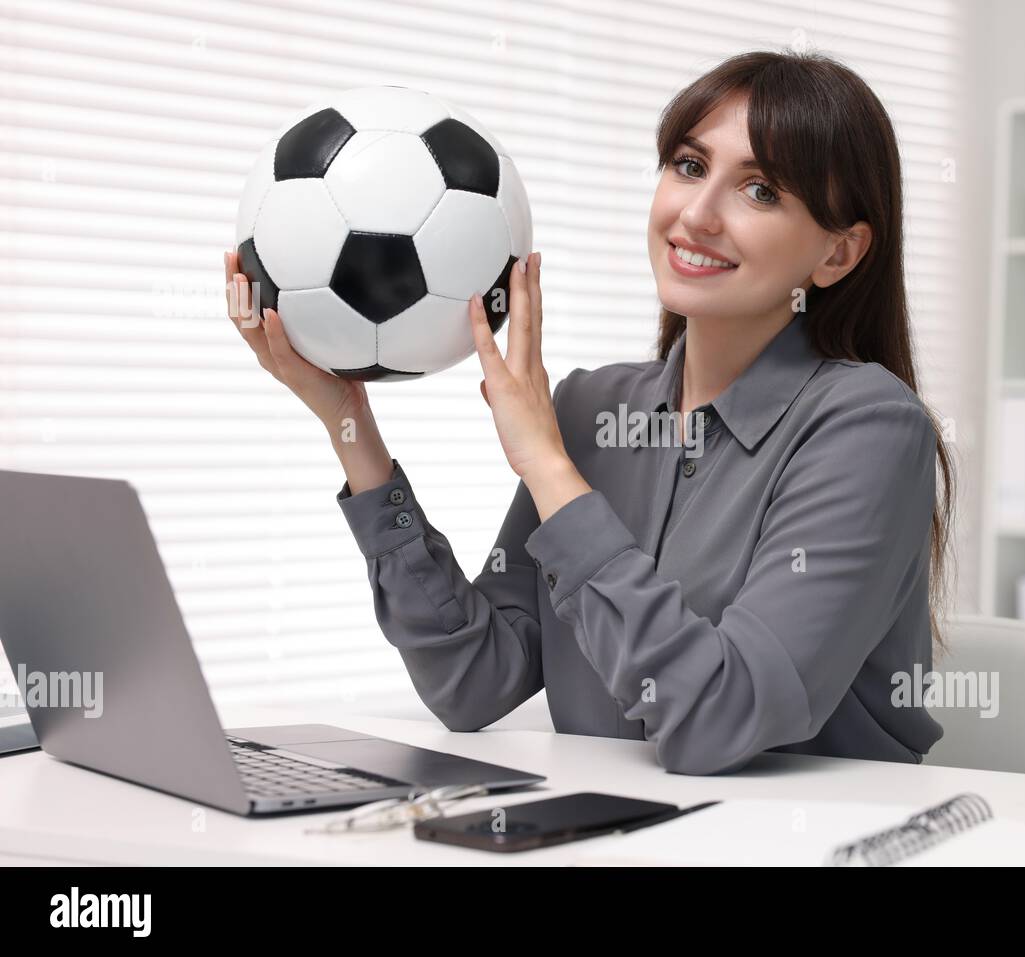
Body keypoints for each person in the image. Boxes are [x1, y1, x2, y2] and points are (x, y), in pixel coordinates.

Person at [223, 49, 956, 776]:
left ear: (838, 253)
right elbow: (474, 681)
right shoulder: (592, 407)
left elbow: (717, 719)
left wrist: (547, 463)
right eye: (690, 166)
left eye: (760, 190)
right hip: (620, 834)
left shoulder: (869, 430)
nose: (696, 215)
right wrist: (350, 425)